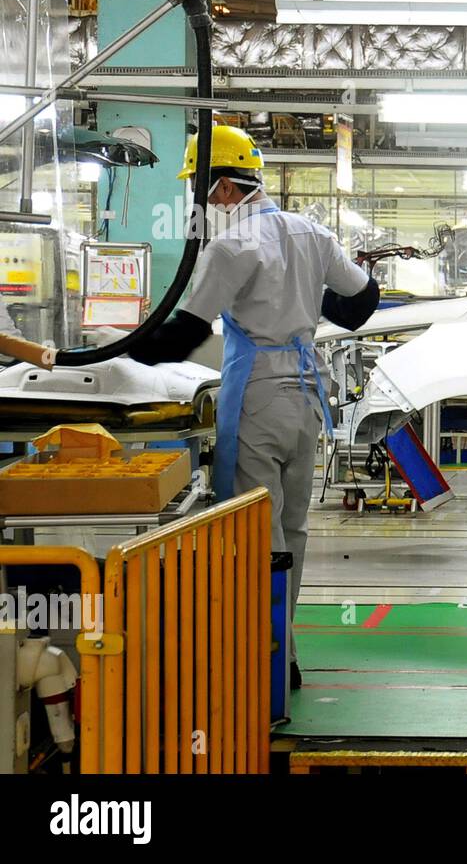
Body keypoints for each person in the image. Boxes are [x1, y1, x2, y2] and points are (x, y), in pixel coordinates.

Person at [128, 125, 379, 689]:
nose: (200, 200)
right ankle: (283, 652)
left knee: (253, 534)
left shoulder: (231, 246)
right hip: (309, 398)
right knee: (293, 529)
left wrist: (114, 352)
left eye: (198, 186)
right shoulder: (312, 232)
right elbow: (362, 304)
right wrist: (307, 300)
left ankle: (260, 663)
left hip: (259, 398)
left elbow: (182, 336)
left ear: (219, 186)